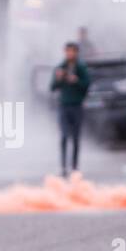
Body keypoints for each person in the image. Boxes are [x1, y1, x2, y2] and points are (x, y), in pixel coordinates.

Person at [50, 41, 90, 177]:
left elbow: (87, 86)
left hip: (77, 106)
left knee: (76, 137)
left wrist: (76, 81)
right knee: (64, 136)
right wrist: (59, 78)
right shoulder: (60, 67)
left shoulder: (82, 68)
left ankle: (74, 166)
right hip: (64, 105)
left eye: (72, 51)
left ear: (76, 53)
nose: (69, 54)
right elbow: (52, 87)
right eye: (67, 51)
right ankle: (63, 166)